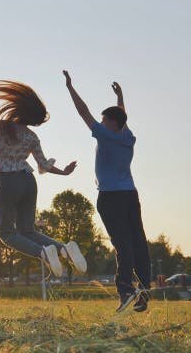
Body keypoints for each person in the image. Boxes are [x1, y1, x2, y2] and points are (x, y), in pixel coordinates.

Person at [0, 81, 88, 279]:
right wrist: (63, 172)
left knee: (7, 233)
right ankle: (64, 250)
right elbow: (43, 164)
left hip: (10, 181)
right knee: (27, 230)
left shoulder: (1, 129)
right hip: (29, 182)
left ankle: (43, 252)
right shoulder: (31, 136)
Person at [63, 70, 150, 312]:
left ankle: (126, 290)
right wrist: (120, 97)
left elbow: (83, 112)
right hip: (131, 195)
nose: (100, 123)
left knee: (123, 245)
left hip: (111, 198)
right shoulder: (128, 136)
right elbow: (122, 117)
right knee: (138, 243)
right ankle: (143, 292)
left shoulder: (106, 135)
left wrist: (70, 87)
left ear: (111, 124)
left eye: (104, 120)